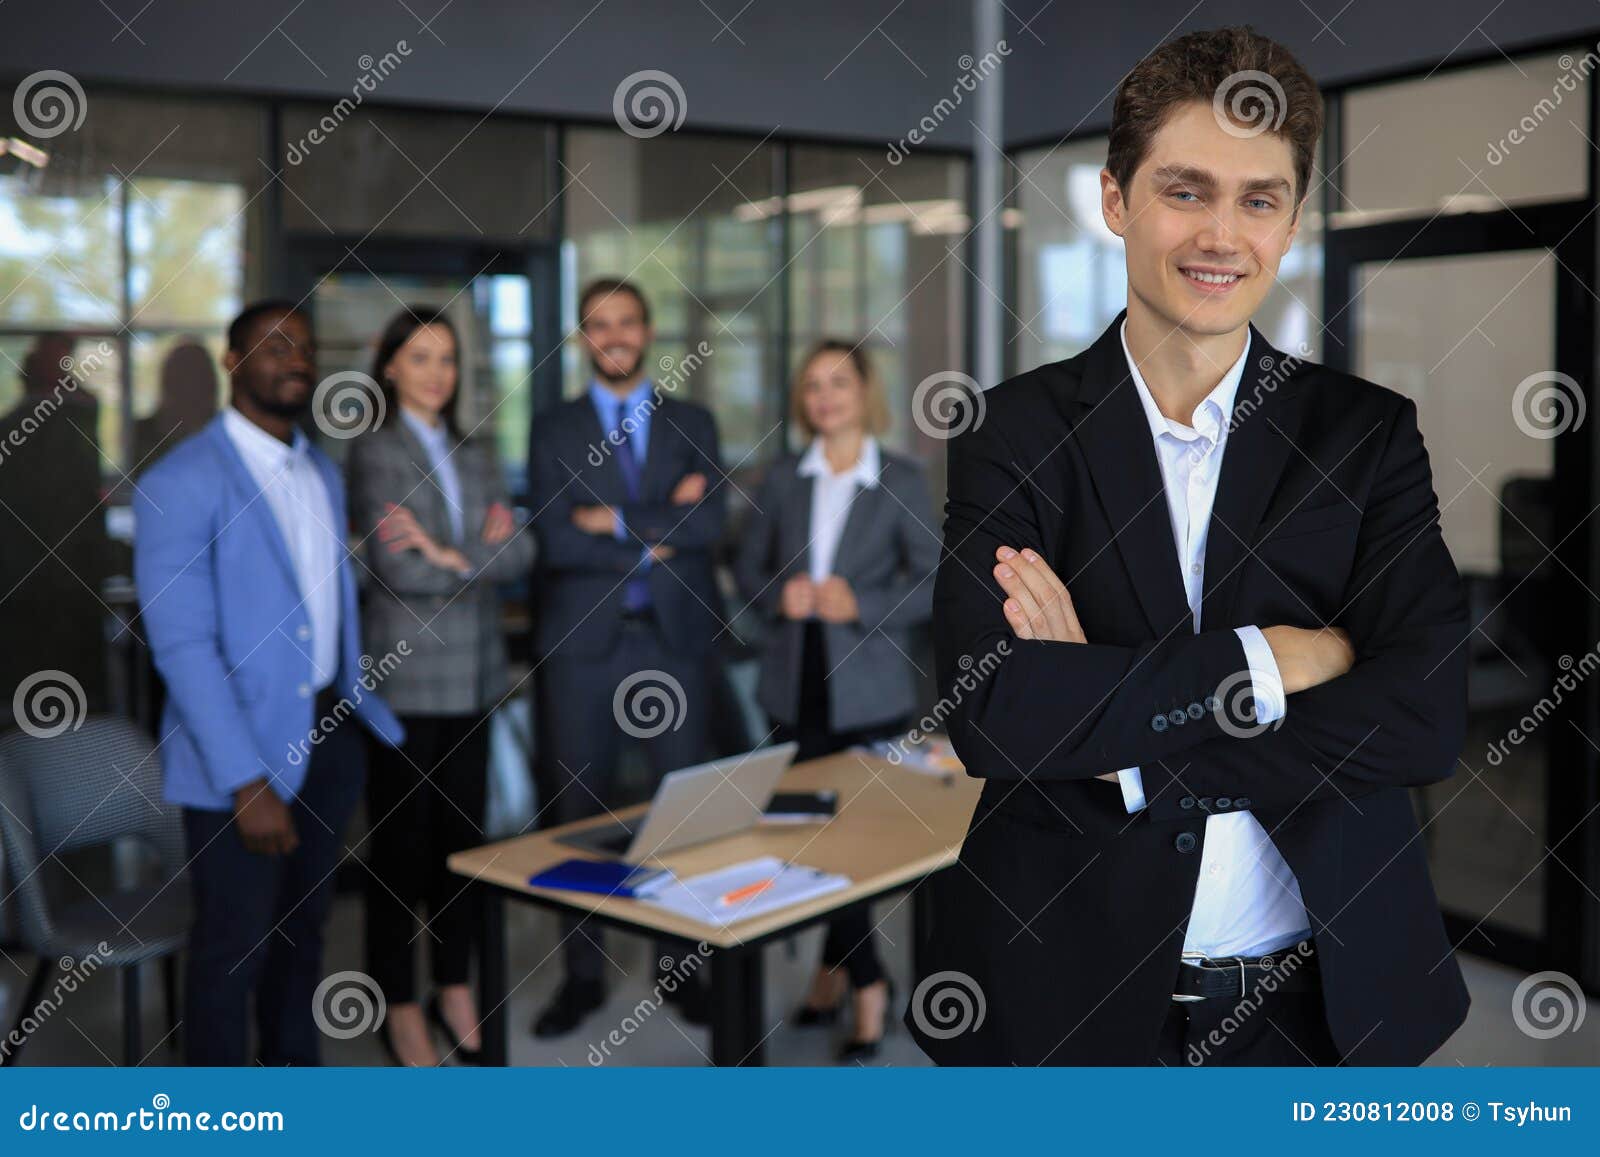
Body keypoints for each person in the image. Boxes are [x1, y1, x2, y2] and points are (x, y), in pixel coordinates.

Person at [907, 26, 1470, 1066]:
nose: (1221, 233)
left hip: (1314, 1003)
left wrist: (1118, 736)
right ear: (1115, 201)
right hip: (1066, 990)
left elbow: (1422, 717)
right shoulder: (1013, 432)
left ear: (1292, 221)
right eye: (1185, 190)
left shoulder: (1363, 435)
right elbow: (991, 710)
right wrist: (1276, 658)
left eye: (1257, 199)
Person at [133, 301, 405, 1065]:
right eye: (274, 345)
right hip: (240, 761)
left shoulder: (318, 468)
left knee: (304, 936)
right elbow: (182, 644)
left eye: (306, 348)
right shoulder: (180, 481)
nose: (295, 359)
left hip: (327, 735)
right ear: (232, 361)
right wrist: (245, 778)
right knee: (231, 951)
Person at [526, 277, 726, 1037]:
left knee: (683, 810)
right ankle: (583, 975)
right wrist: (660, 522)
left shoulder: (695, 420)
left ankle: (682, 967)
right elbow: (554, 539)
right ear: (583, 337)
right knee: (581, 813)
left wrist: (608, 518)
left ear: (647, 332)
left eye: (628, 322)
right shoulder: (552, 427)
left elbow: (712, 525)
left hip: (673, 640)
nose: (614, 335)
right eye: (598, 324)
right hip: (582, 646)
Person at [735, 340, 937, 1061]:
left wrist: (864, 601)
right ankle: (854, 975)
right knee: (810, 840)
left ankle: (861, 989)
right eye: (812, 385)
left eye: (838, 382)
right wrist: (776, 595)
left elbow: (935, 583)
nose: (824, 396)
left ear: (863, 391)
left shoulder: (902, 479)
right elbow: (747, 571)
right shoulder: (783, 478)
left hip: (871, 688)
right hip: (793, 685)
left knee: (849, 843)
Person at [346, 306, 535, 1066]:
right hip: (407, 677)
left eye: (447, 359)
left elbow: (522, 551)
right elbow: (398, 567)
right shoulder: (374, 452)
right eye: (419, 357)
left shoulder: (478, 449)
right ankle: (397, 1003)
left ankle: (454, 985)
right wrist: (470, 559)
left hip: (476, 676)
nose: (436, 373)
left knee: (467, 844)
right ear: (388, 365)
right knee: (401, 849)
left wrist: (451, 556)